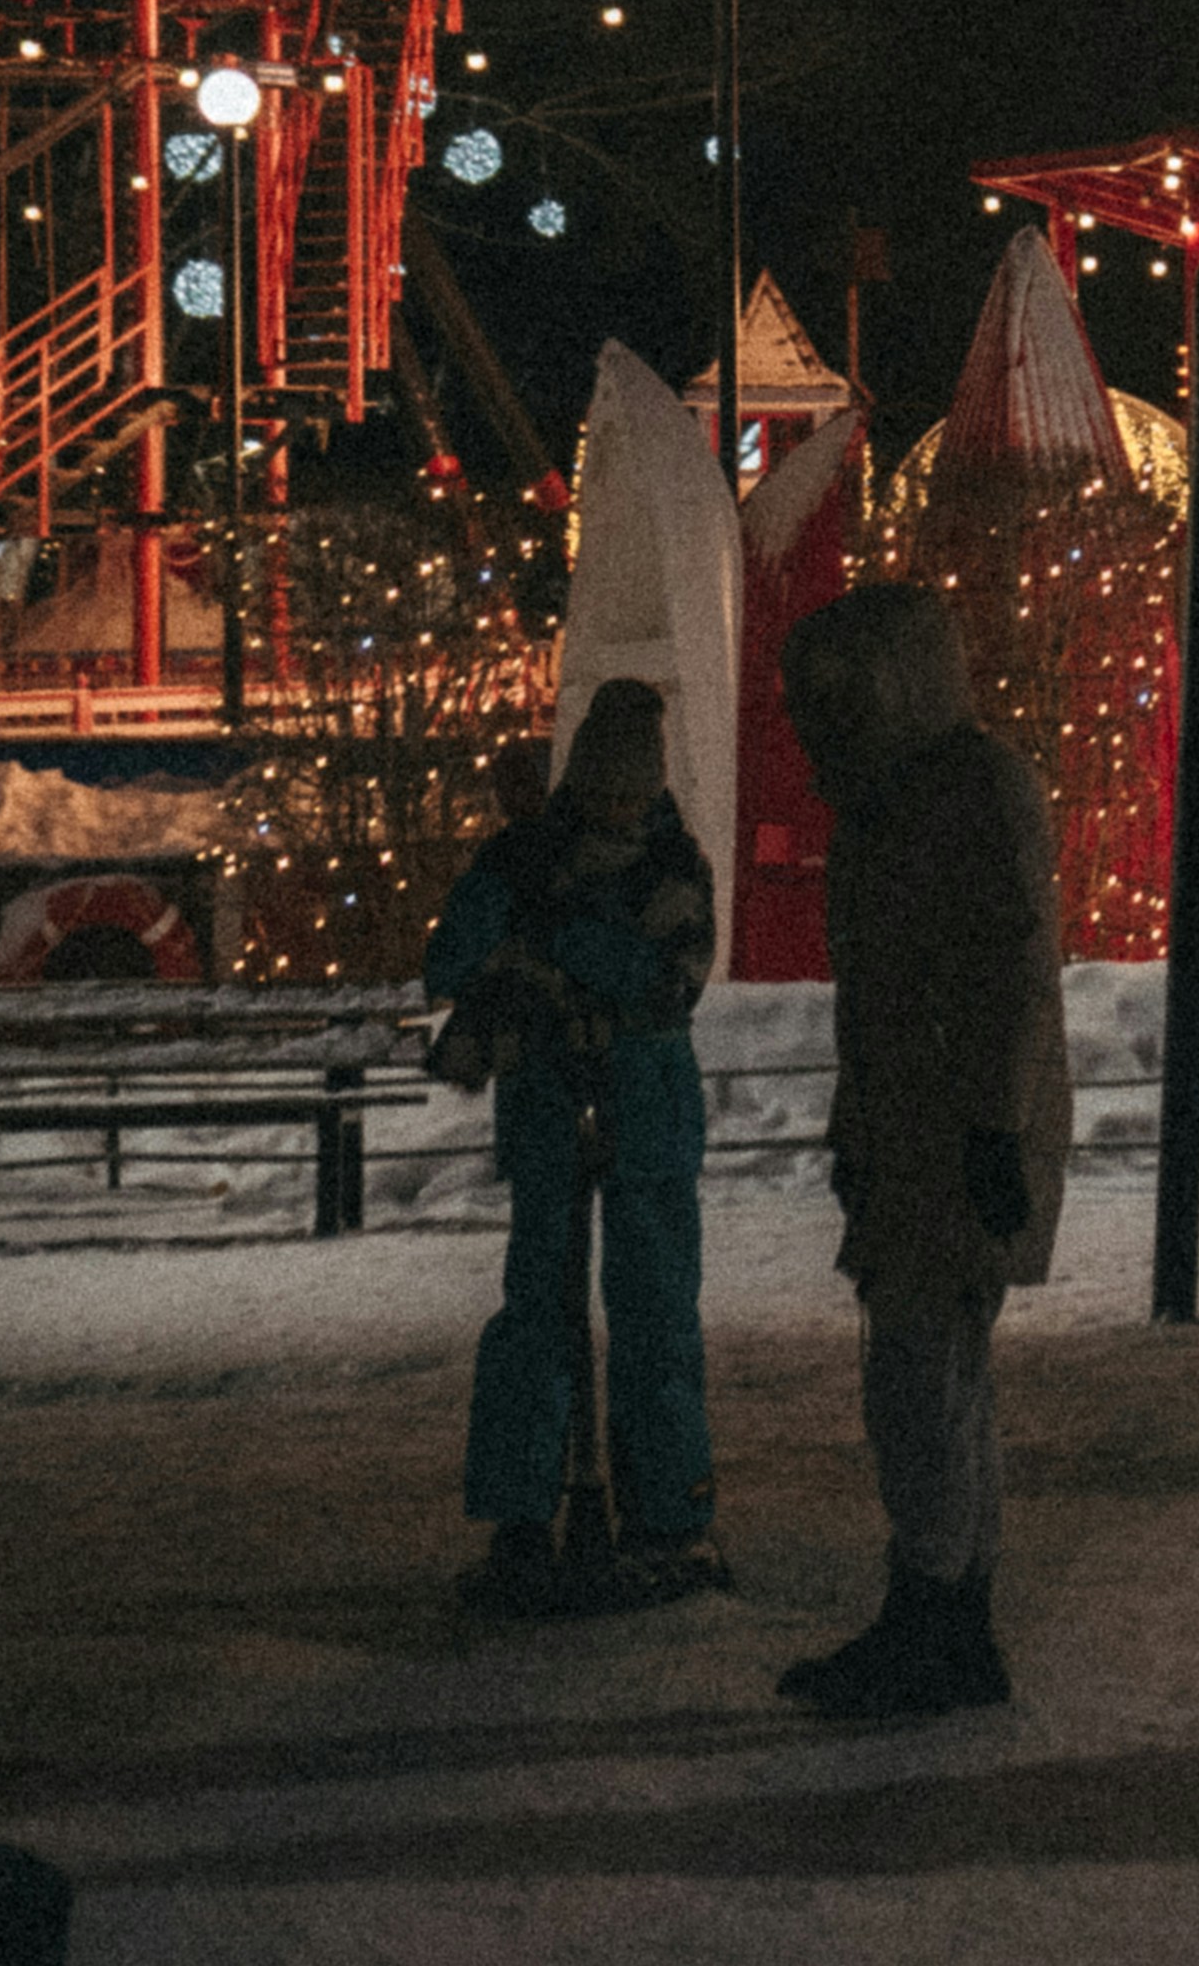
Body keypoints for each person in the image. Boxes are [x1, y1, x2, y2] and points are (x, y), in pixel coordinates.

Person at [778, 584, 1077, 1720]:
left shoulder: (951, 793)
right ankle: (950, 1612)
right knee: (937, 1374)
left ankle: (937, 1608)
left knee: (922, 1374)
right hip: (927, 1126)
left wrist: (995, 1127)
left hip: (951, 1131)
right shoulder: (905, 792)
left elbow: (1004, 972)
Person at [426, 679, 726, 1604]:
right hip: (577, 1102)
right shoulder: (543, 863)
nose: (613, 813)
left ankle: (660, 1515)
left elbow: (670, 985)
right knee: (548, 1311)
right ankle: (539, 1515)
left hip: (627, 1107)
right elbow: (449, 961)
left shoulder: (657, 868)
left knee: (649, 1315)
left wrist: (548, 952)